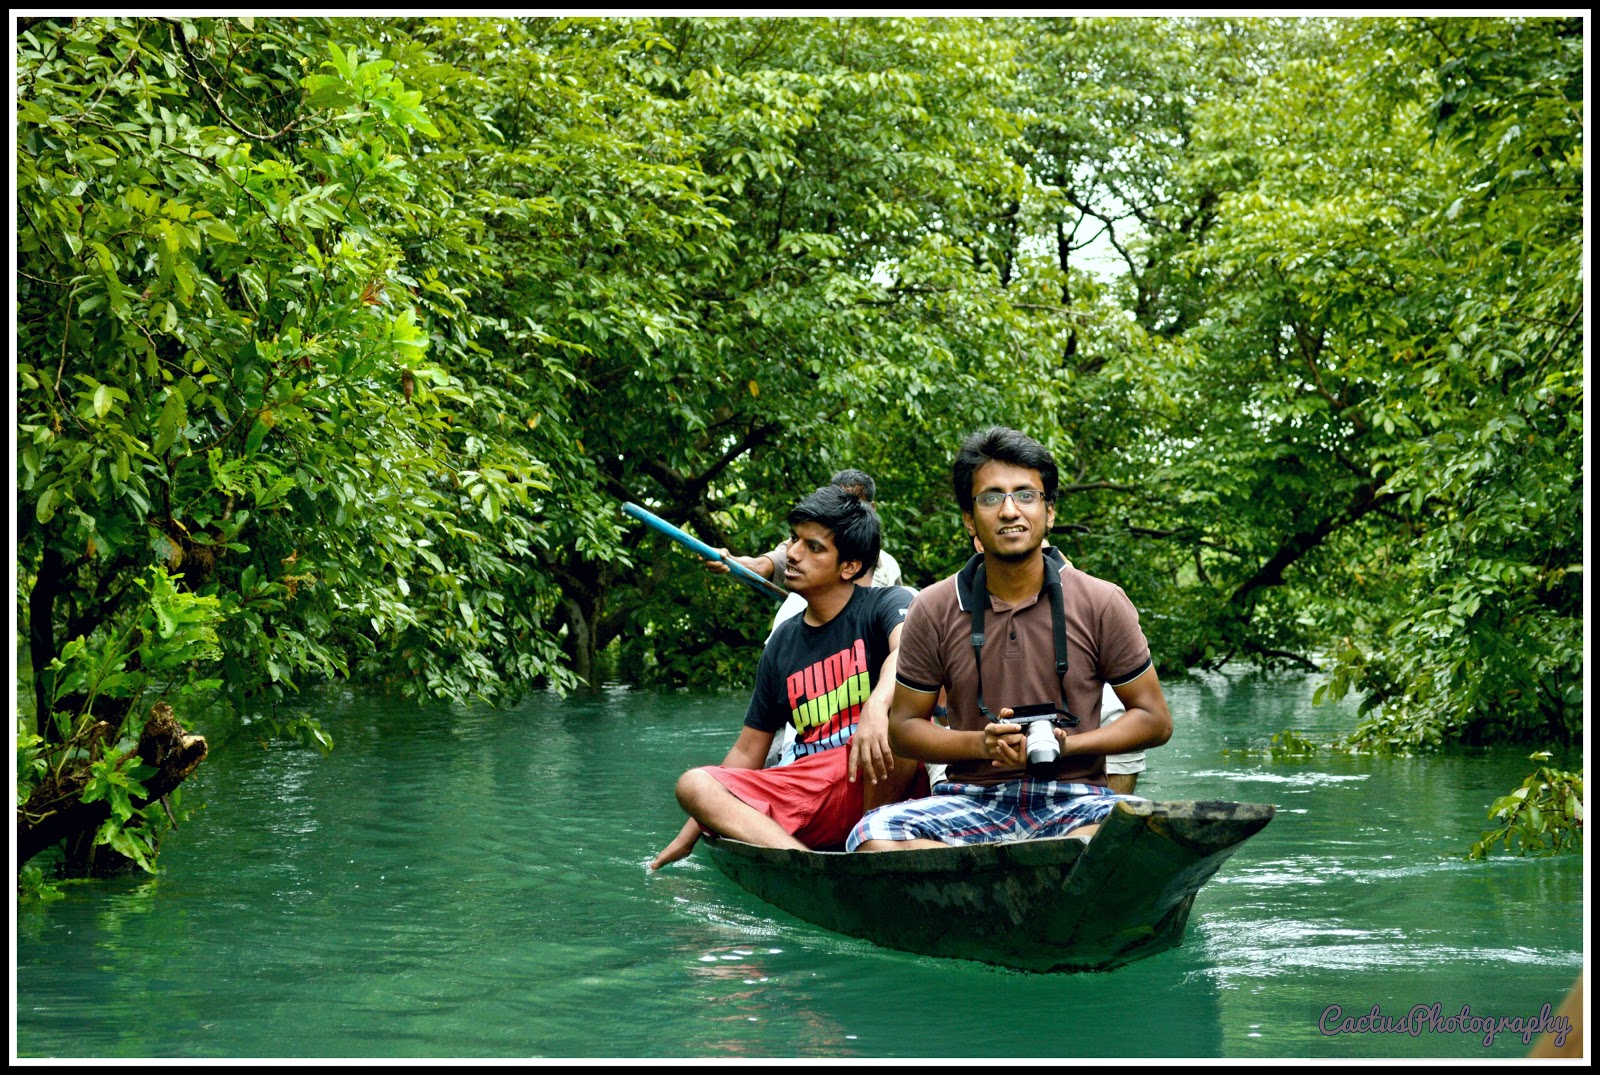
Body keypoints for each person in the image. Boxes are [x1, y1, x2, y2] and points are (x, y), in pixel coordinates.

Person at [848, 426, 1172, 852]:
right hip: (972, 801)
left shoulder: (1101, 601)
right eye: (990, 497)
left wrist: (1068, 744)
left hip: (1075, 800)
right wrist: (981, 744)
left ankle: (987, 882)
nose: (1009, 510)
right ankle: (1008, 883)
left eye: (1025, 494)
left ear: (1049, 512)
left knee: (1141, 830)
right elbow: (904, 730)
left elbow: (1155, 719)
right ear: (970, 520)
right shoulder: (933, 606)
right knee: (871, 836)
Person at [651, 485, 925, 869]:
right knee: (695, 784)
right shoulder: (781, 642)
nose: (793, 554)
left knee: (898, 729)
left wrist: (876, 707)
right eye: (795, 539)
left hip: (875, 783)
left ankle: (871, 847)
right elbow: (748, 751)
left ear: (849, 566)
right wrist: (688, 835)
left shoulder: (885, 605)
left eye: (813, 547)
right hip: (807, 788)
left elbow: (908, 652)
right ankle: (804, 866)